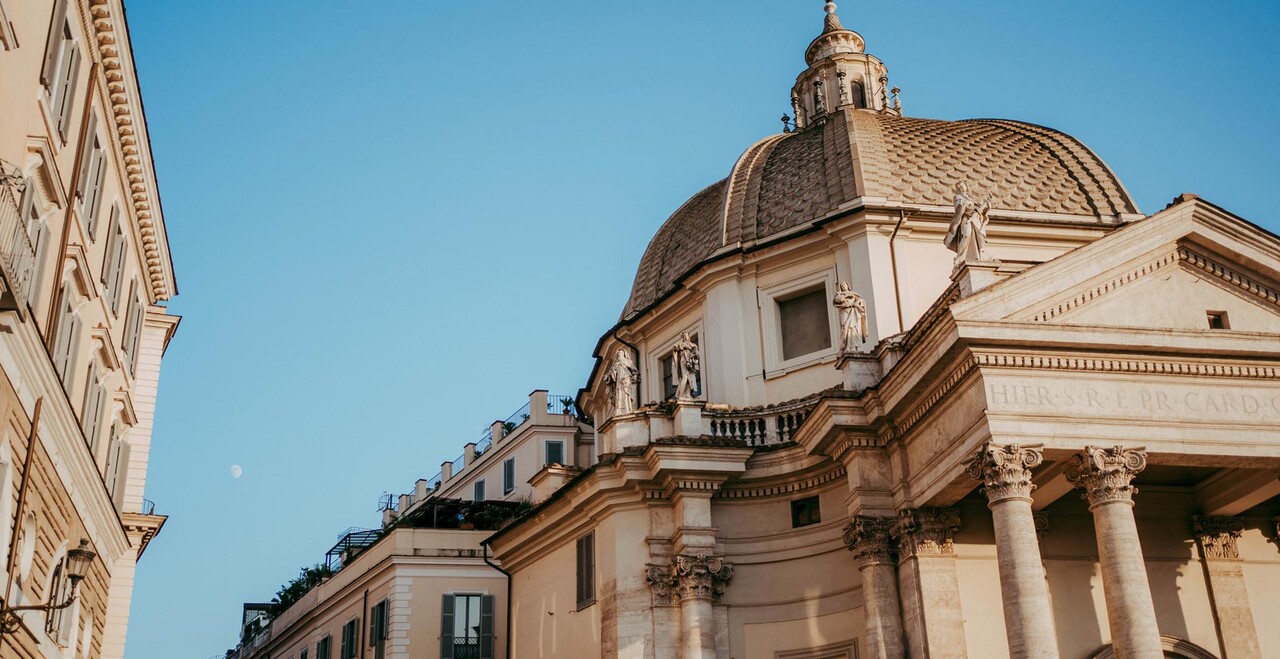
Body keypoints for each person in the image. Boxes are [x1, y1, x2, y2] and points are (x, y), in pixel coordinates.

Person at [944, 181, 991, 264]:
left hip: (975, 220)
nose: (962, 188)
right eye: (960, 187)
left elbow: (981, 210)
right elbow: (960, 208)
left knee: (979, 236)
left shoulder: (971, 199)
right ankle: (960, 256)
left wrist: (985, 206)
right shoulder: (958, 197)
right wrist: (972, 208)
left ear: (966, 187)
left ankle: (979, 254)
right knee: (966, 235)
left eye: (963, 186)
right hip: (966, 220)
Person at [832, 281, 867, 351]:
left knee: (855, 329)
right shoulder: (839, 294)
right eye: (842, 285)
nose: (843, 286)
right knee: (846, 328)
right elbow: (837, 300)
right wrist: (846, 297)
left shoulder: (854, 294)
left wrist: (856, 302)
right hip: (845, 313)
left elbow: (861, 300)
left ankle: (857, 346)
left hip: (854, 313)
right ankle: (847, 346)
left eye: (844, 284)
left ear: (848, 285)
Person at [604, 348, 637, 414]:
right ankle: (619, 409)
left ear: (624, 354)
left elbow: (634, 370)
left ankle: (628, 408)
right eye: (618, 354)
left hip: (626, 379)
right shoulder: (615, 364)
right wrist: (608, 376)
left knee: (626, 392)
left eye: (621, 353)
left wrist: (634, 375)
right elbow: (611, 373)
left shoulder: (628, 362)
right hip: (618, 381)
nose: (620, 355)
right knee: (619, 393)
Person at [672, 332, 700, 400]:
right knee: (685, 376)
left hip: (691, 362)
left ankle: (687, 394)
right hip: (683, 360)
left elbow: (698, 354)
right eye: (684, 336)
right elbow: (675, 347)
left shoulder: (693, 345)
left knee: (690, 378)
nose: (685, 337)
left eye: (686, 335)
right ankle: (680, 394)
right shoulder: (680, 344)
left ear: (689, 336)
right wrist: (681, 347)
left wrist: (693, 355)